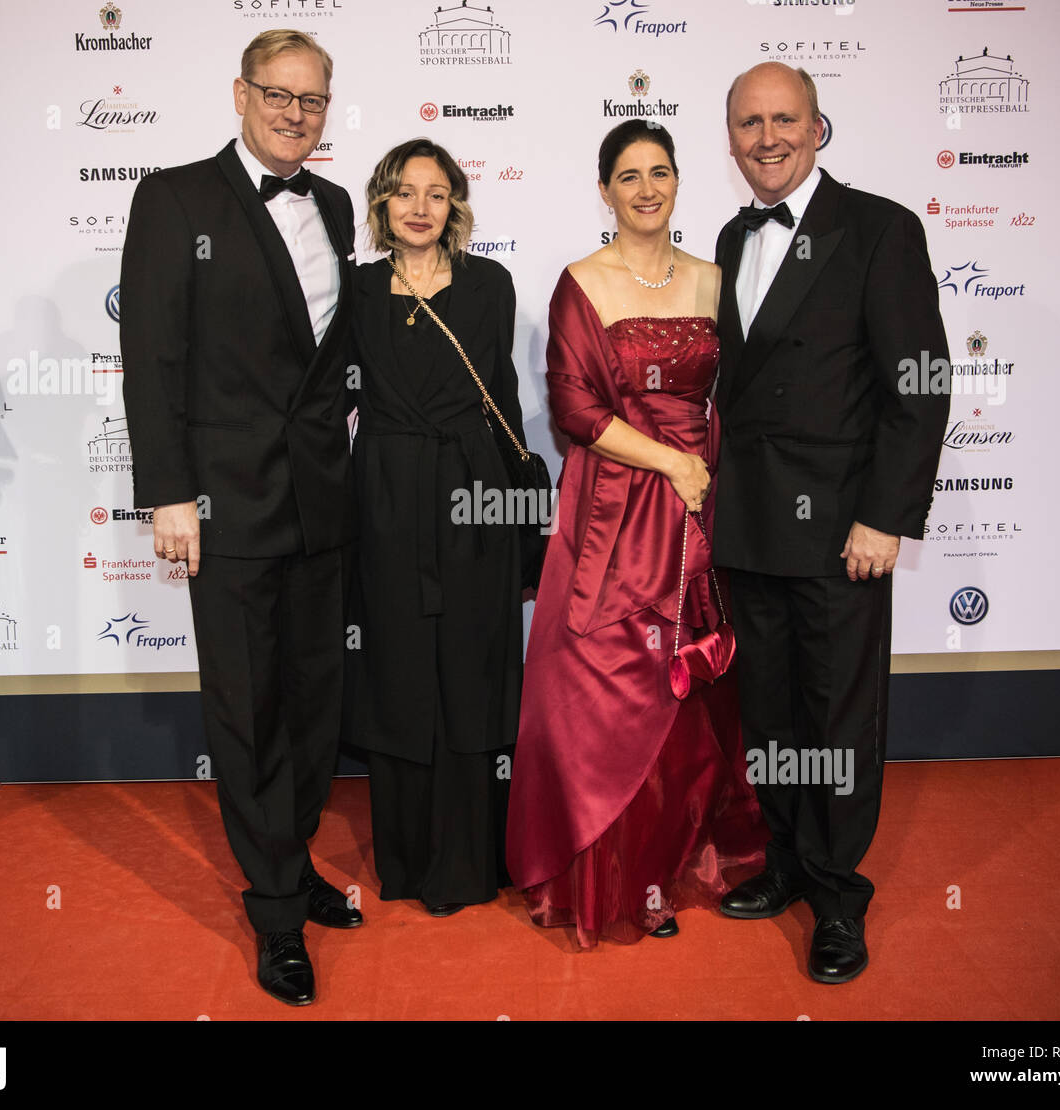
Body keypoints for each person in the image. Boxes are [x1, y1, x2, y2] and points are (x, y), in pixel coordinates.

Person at [120, 29, 361, 1008]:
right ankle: (273, 914)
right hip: (223, 508)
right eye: (278, 94)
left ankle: (294, 865)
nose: (295, 112)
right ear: (240, 93)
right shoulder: (175, 199)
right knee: (249, 713)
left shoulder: (338, 204)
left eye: (312, 99)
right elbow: (153, 360)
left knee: (313, 706)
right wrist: (170, 492)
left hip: (319, 503)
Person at [713, 63, 949, 982]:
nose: (766, 137)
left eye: (783, 119)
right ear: (730, 138)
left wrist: (885, 518)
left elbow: (919, 386)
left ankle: (838, 896)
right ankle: (781, 862)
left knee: (839, 720)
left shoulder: (880, 228)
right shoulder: (732, 238)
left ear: (819, 127)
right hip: (751, 525)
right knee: (770, 711)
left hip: (842, 532)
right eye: (748, 123)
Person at [506, 120, 767, 947]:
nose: (646, 188)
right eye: (628, 176)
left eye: (660, 172)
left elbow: (747, 391)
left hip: (700, 507)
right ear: (605, 190)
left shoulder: (713, 279)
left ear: (680, 182)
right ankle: (604, 872)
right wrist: (670, 462)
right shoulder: (581, 281)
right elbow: (577, 410)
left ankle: (668, 864)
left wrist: (706, 472)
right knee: (604, 683)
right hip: (616, 506)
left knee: (685, 689)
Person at [346, 139, 523, 917]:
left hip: (472, 493)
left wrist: (520, 525)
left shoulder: (490, 284)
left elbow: (505, 402)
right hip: (384, 499)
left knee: (470, 666)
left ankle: (472, 859)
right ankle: (409, 860)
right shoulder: (353, 291)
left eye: (437, 192)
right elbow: (329, 405)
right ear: (382, 203)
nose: (420, 207)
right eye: (404, 192)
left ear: (456, 205)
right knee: (399, 670)